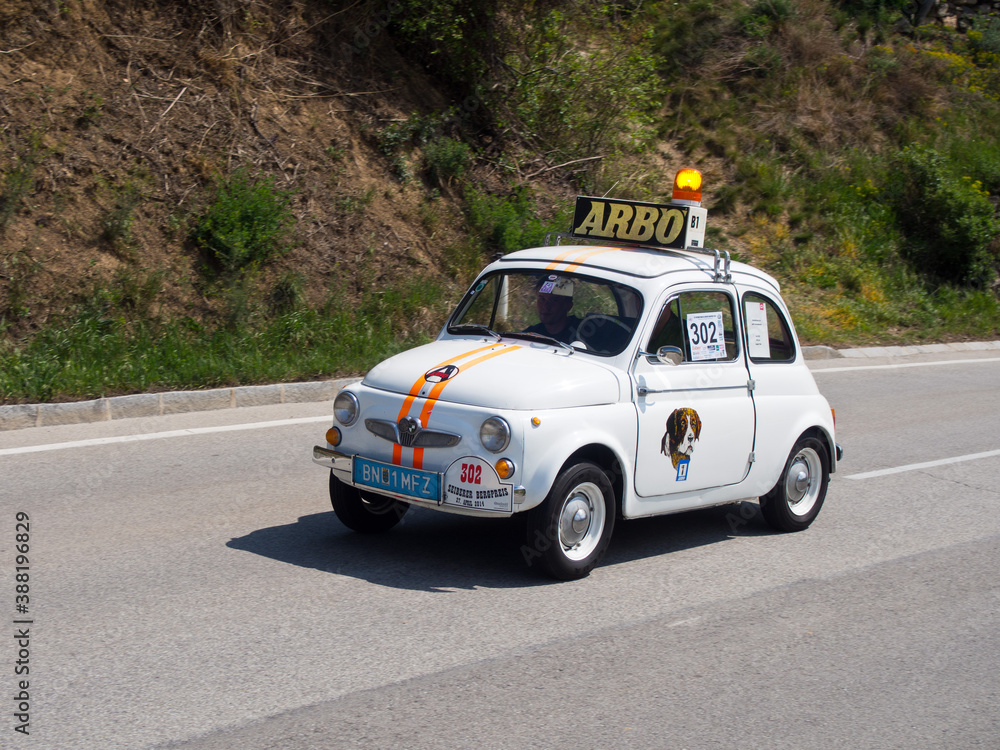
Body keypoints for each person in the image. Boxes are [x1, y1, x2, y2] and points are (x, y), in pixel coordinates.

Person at [525, 276, 581, 344]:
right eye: (542, 299)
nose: (545, 306)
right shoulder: (529, 335)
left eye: (553, 300)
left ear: (568, 306)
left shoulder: (583, 332)